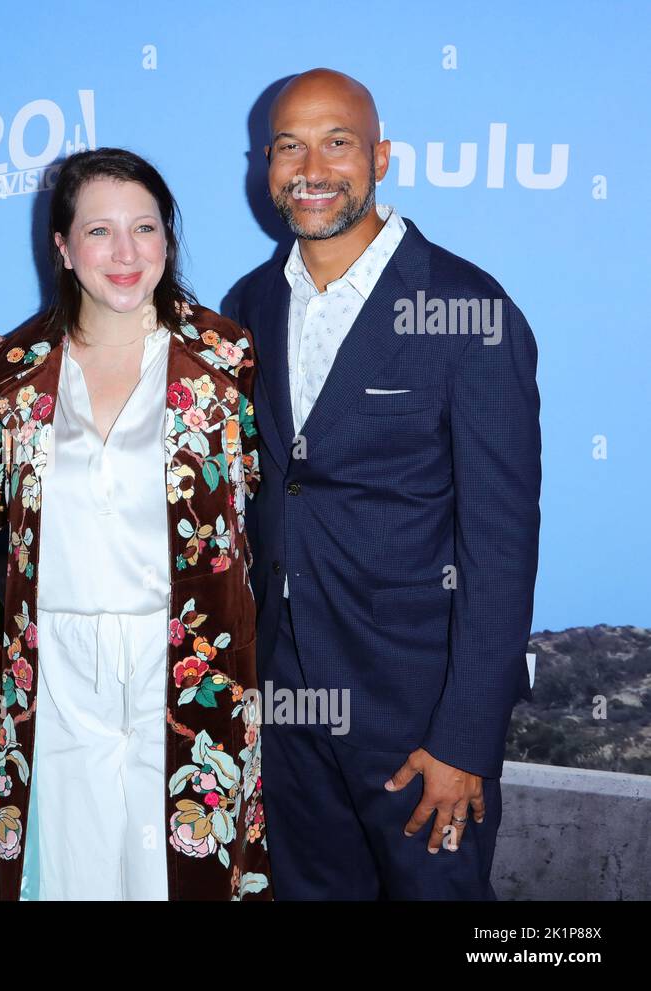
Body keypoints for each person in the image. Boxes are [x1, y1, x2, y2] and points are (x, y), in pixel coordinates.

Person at [234, 68, 541, 899]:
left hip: (418, 714)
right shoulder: (252, 303)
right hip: (287, 707)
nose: (312, 168)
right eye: (289, 146)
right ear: (267, 166)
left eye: (337, 142)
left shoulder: (468, 309)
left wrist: (465, 738)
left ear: (381, 158)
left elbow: (501, 543)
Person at [0, 147, 272, 900]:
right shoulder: (11, 372)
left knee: (182, 873)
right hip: (54, 668)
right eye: (99, 231)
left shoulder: (226, 360)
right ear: (64, 247)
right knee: (62, 873)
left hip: (190, 663)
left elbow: (265, 498)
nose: (127, 253)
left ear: (168, 238)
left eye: (145, 227)